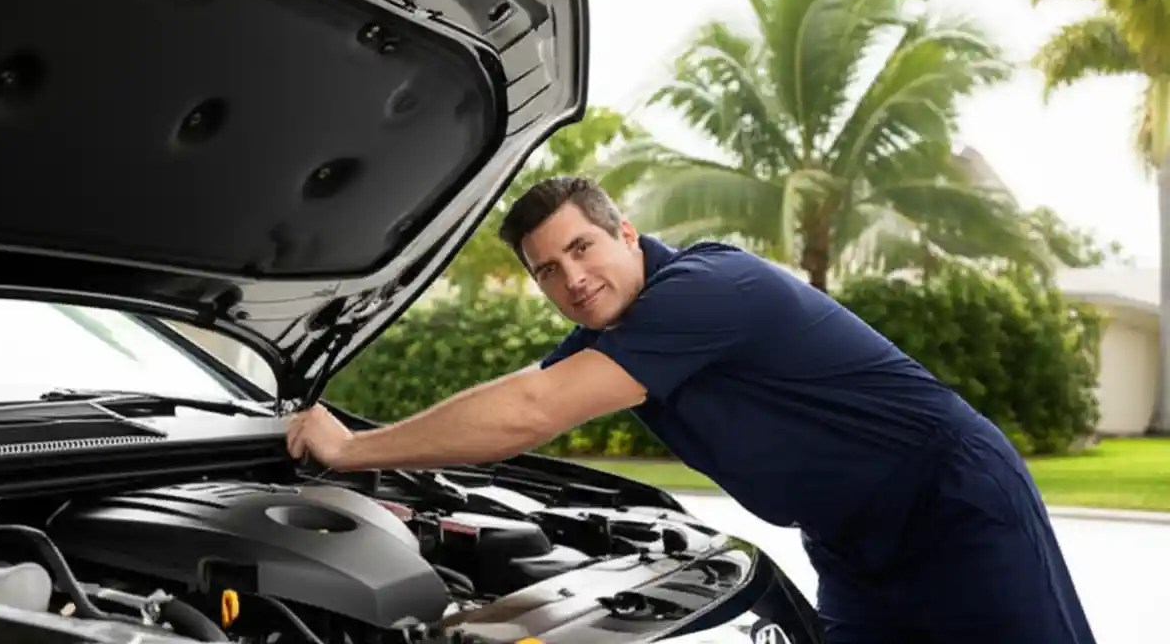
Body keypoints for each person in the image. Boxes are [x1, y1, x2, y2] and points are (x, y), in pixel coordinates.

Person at [287, 175, 1095, 644]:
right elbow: (505, 402)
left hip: (951, 505)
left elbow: (530, 411)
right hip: (851, 541)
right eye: (546, 272)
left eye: (582, 248)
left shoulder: (710, 289)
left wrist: (350, 449)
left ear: (627, 236)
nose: (570, 279)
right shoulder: (606, 341)